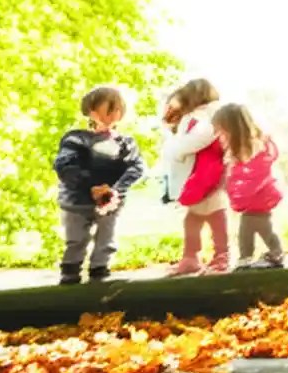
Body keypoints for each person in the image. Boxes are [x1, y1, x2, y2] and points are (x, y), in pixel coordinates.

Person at [52, 85, 147, 285]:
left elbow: (136, 167)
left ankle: (99, 270)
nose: (115, 114)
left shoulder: (125, 143)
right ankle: (70, 272)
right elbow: (66, 165)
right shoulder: (76, 138)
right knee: (76, 239)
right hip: (77, 200)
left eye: (118, 109)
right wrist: (90, 186)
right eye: (109, 108)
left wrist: (116, 189)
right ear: (92, 111)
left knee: (107, 238)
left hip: (110, 200)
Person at [162, 78, 230, 275]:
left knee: (214, 216)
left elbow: (201, 137)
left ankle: (220, 255)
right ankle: (192, 256)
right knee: (195, 218)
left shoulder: (207, 117)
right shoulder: (197, 117)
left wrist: (178, 150)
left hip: (206, 175)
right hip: (200, 175)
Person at [212, 103, 285, 269]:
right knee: (247, 228)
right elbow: (235, 175)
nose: (219, 136)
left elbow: (256, 175)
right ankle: (246, 256)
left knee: (263, 227)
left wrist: (239, 194)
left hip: (261, 198)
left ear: (233, 129)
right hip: (252, 201)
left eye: (222, 131)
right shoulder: (240, 150)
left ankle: (275, 253)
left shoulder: (257, 147)